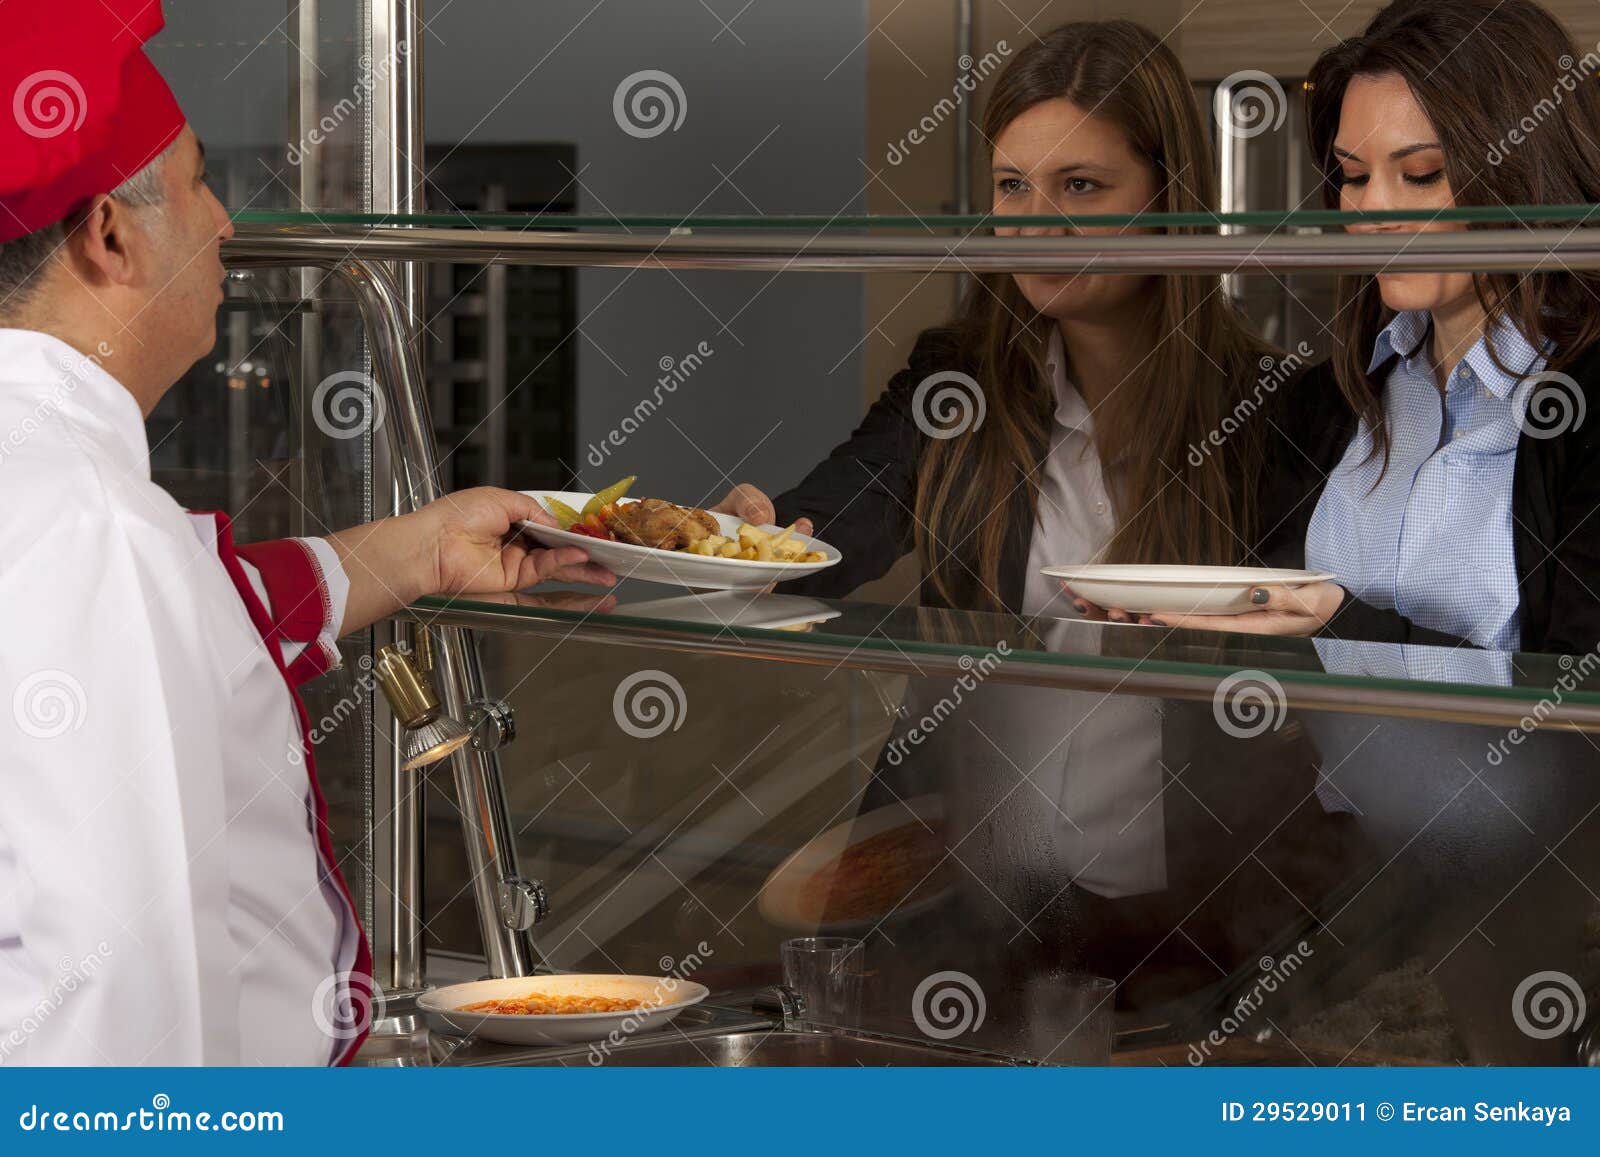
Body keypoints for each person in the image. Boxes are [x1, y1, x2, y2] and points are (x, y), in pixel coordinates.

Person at [0, 0, 614, 1064]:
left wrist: (420, 551)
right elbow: (121, 990)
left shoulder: (61, 500)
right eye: (197, 183)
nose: (225, 224)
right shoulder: (92, 531)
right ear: (110, 234)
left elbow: (196, 608)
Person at [714, 20, 1279, 618]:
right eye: (1013, 185)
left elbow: (1324, 629)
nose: (1036, 227)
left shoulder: (1270, 404)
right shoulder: (956, 380)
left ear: (1170, 197)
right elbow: (834, 522)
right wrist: (739, 544)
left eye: (1081, 185)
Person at [1147, 0, 1600, 655]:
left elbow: (1579, 715)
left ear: (1524, 169)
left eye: (1421, 174)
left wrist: (1345, 623)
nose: (1371, 210)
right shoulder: (1322, 402)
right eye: (1353, 176)